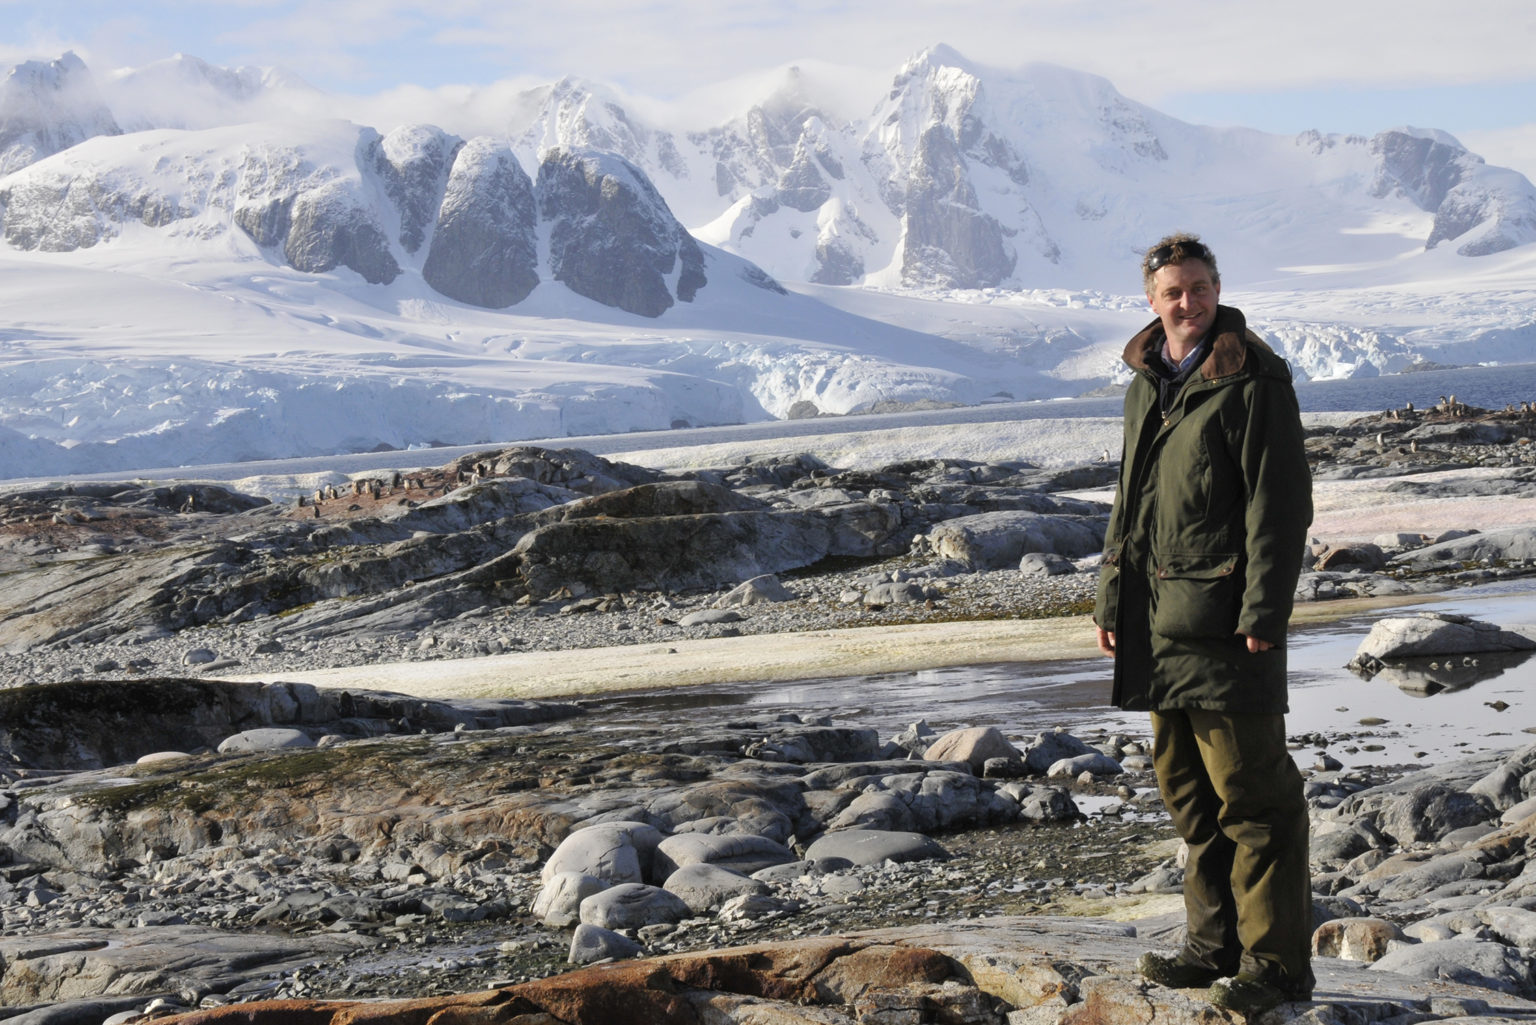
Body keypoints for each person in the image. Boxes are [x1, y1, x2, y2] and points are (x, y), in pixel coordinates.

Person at [1093, 233, 1315, 1016]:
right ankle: (1211, 945)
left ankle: (1278, 966)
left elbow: (1278, 507)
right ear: (1152, 302)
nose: (1186, 303)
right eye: (1171, 292)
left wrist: (1264, 611)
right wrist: (1109, 600)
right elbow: (1129, 503)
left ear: (1218, 288)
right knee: (1189, 796)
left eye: (1198, 288)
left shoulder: (1253, 379)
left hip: (1226, 625)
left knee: (1255, 798)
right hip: (1157, 624)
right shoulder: (1145, 384)